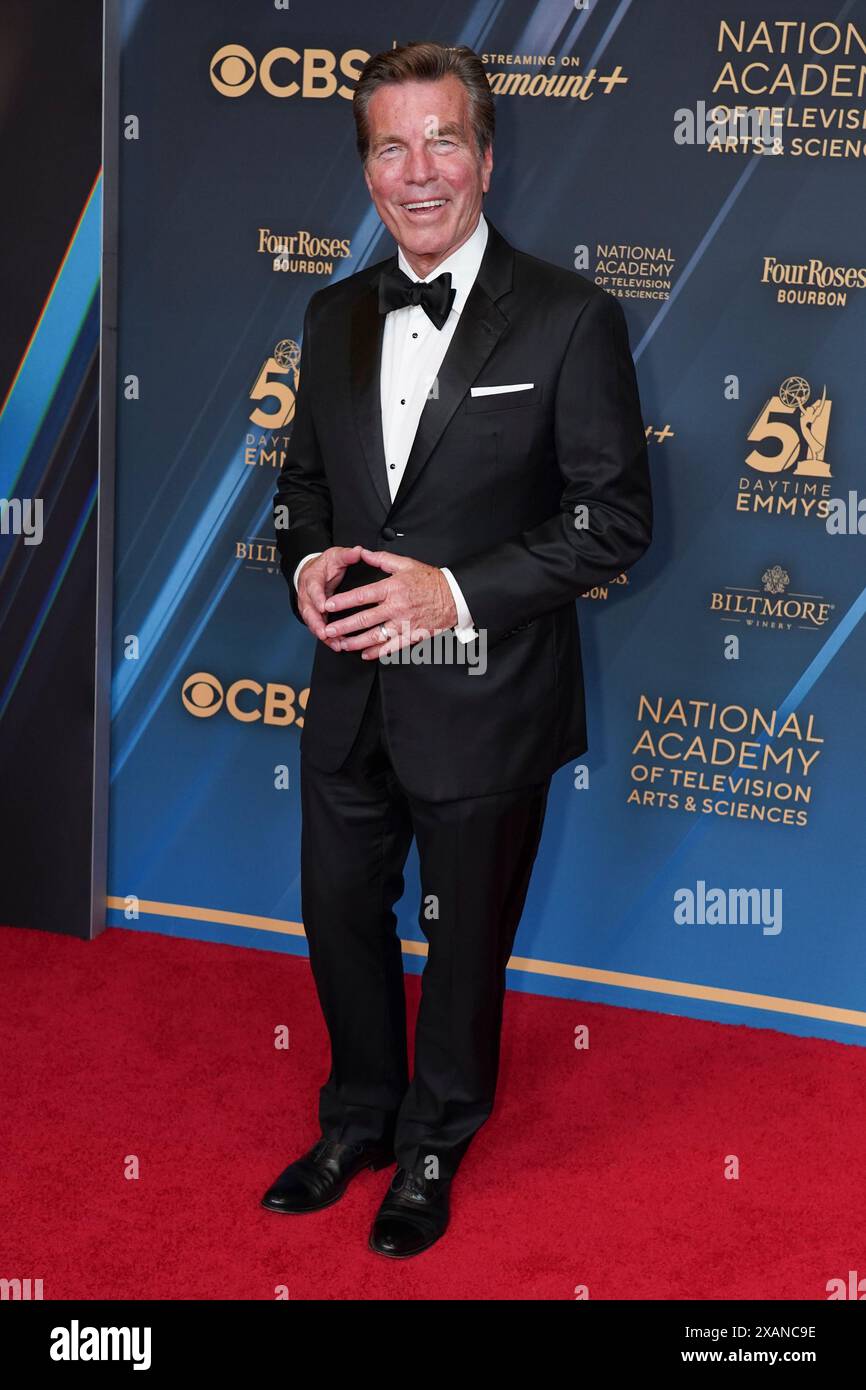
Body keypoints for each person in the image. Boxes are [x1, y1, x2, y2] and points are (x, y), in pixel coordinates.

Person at [265, 40, 652, 1259]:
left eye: (442, 141)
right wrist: (306, 563)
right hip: (348, 697)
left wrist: (452, 595)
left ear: (486, 159)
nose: (417, 170)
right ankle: (359, 1116)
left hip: (486, 700)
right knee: (339, 914)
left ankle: (434, 1142)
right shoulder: (333, 311)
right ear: (367, 169)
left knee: (466, 937)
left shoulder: (568, 313)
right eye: (391, 145)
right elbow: (302, 489)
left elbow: (611, 519)